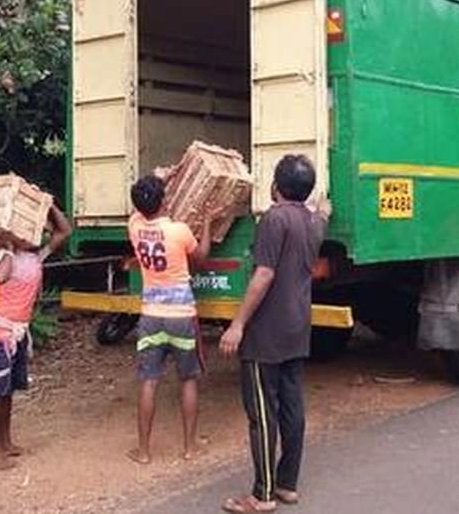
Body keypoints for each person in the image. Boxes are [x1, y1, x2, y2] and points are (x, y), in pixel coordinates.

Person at [220, 155, 330, 513]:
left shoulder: (274, 219)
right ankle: (287, 484)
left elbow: (263, 275)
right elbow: (323, 211)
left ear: (275, 187)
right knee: (292, 406)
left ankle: (262, 495)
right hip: (298, 325)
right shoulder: (314, 222)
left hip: (266, 331)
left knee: (262, 413)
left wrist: (237, 325)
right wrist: (323, 206)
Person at [126, 174, 213, 465]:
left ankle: (144, 451)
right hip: (181, 317)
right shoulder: (180, 231)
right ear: (164, 200)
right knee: (188, 380)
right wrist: (210, 223)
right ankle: (190, 447)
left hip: (151, 316)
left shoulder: (135, 227)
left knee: (148, 382)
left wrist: (158, 183)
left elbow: (141, 208)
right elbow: (200, 256)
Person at [0, 204, 72, 470]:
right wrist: (9, 245)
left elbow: (64, 231)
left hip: (17, 334)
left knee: (8, 391)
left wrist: (49, 205)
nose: (39, 236)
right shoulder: (2, 256)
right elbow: (0, 275)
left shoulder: (35, 257)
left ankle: (5, 443)